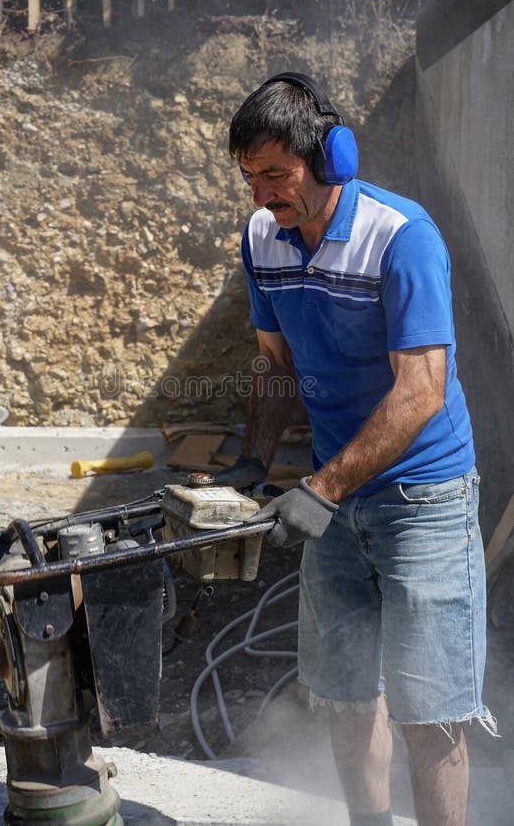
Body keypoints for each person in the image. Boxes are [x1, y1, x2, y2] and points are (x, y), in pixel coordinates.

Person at [219, 73, 496, 826]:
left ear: (332, 157)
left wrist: (322, 489)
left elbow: (421, 391)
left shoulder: (401, 238)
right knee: (343, 693)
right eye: (249, 178)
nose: (261, 196)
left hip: (424, 502)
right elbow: (275, 364)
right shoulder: (261, 237)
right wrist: (252, 462)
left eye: (276, 174)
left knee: (430, 713)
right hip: (335, 497)